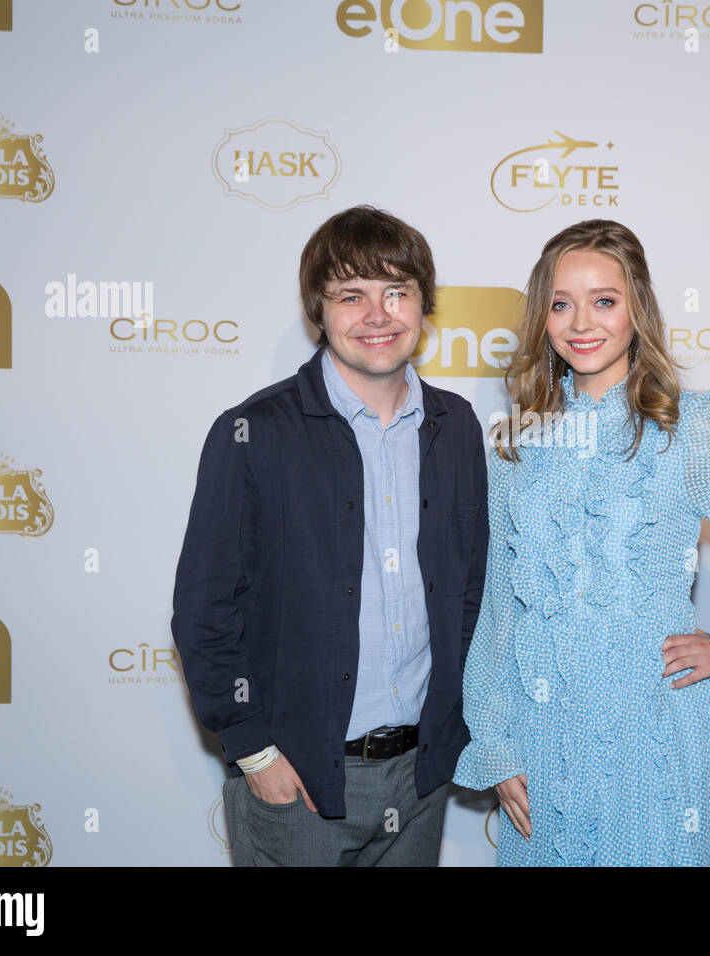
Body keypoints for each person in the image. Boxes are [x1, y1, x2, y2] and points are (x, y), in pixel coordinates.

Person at [453, 219, 710, 866]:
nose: (581, 322)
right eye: (561, 303)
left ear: (637, 309)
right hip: (545, 737)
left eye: (604, 300)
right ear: (542, 318)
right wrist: (496, 738)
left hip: (658, 732)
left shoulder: (687, 428)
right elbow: (501, 609)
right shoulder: (514, 445)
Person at [172, 205, 489, 866]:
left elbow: (470, 594)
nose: (377, 315)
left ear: (424, 308)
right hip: (299, 784)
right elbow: (205, 613)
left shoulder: (455, 426)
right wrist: (254, 751)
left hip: (422, 777)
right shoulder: (253, 432)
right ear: (319, 311)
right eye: (351, 295)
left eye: (396, 292)